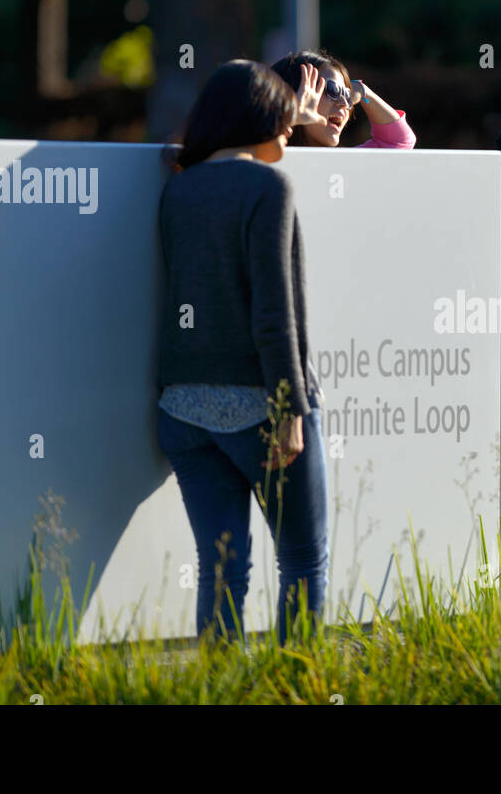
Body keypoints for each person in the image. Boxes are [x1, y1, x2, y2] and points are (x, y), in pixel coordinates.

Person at [156, 58, 331, 647]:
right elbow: (275, 315)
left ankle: (217, 687)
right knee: (303, 561)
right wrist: (290, 408)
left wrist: (287, 117)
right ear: (258, 116)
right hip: (260, 404)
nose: (292, 126)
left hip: (182, 410)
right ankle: (294, 686)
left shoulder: (179, 186)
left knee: (223, 569)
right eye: (284, 115)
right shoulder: (268, 186)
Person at [269, 49, 416, 149]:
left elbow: (399, 142)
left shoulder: (343, 165)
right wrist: (292, 116)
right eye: (332, 90)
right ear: (292, 93)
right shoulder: (259, 156)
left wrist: (364, 93)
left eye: (347, 95)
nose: (345, 103)